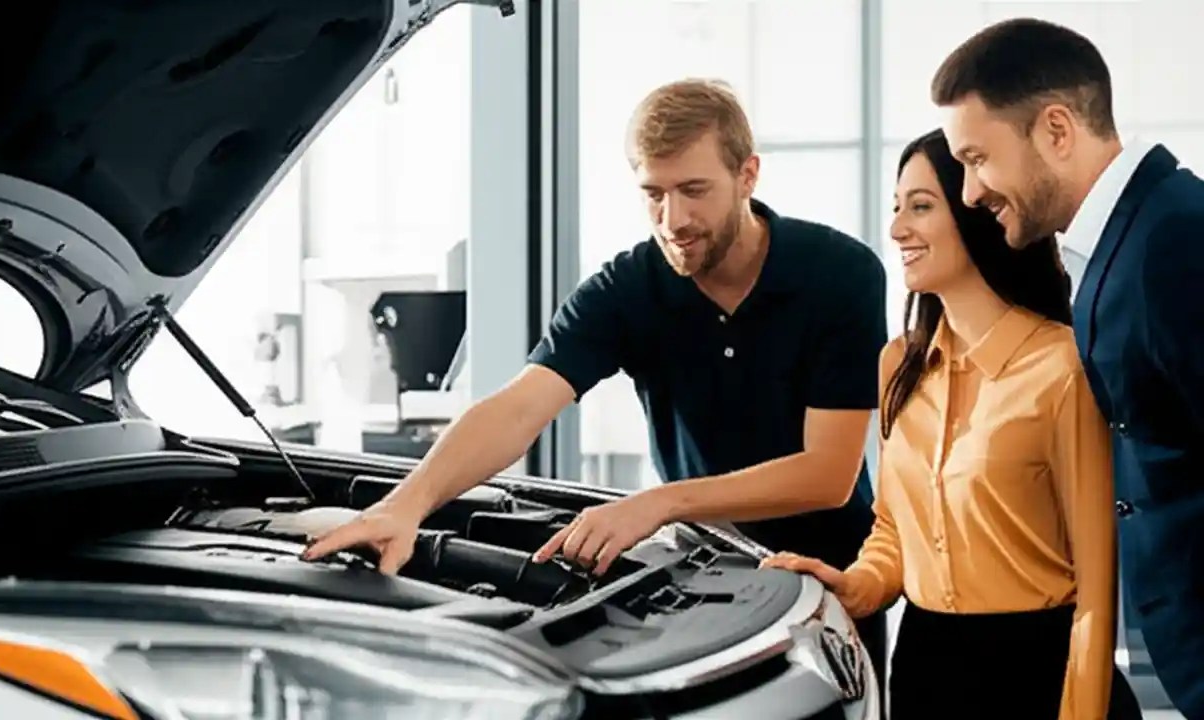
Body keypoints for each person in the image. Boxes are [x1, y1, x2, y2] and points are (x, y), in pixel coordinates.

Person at [302, 78, 891, 686]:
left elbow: (828, 474)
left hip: (831, 585)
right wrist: (406, 506)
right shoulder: (627, 288)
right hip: (707, 584)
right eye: (653, 195)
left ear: (748, 175)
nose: (674, 220)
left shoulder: (841, 274)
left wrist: (662, 502)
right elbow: (519, 406)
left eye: (694, 191)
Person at [762, 128, 1139, 720]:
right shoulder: (897, 366)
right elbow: (892, 530)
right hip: (926, 666)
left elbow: (1097, 586)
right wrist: (852, 586)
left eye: (920, 206)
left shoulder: (1062, 366)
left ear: (977, 214)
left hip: (1041, 669)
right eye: (896, 208)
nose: (897, 230)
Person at [929, 18, 1204, 718]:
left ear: (1056, 131)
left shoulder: (1173, 241)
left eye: (977, 159)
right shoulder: (1123, 240)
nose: (969, 192)